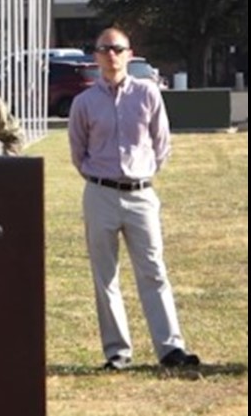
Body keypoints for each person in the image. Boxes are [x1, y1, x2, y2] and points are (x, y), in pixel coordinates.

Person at [67, 28, 200, 371]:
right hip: (100, 193)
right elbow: (78, 152)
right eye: (104, 49)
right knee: (105, 276)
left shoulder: (148, 93)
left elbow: (162, 143)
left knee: (154, 271)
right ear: (95, 57)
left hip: (141, 195)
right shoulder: (83, 102)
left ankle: (171, 349)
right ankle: (117, 352)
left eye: (117, 49)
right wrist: (100, 177)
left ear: (129, 54)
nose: (111, 55)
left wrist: (143, 173)